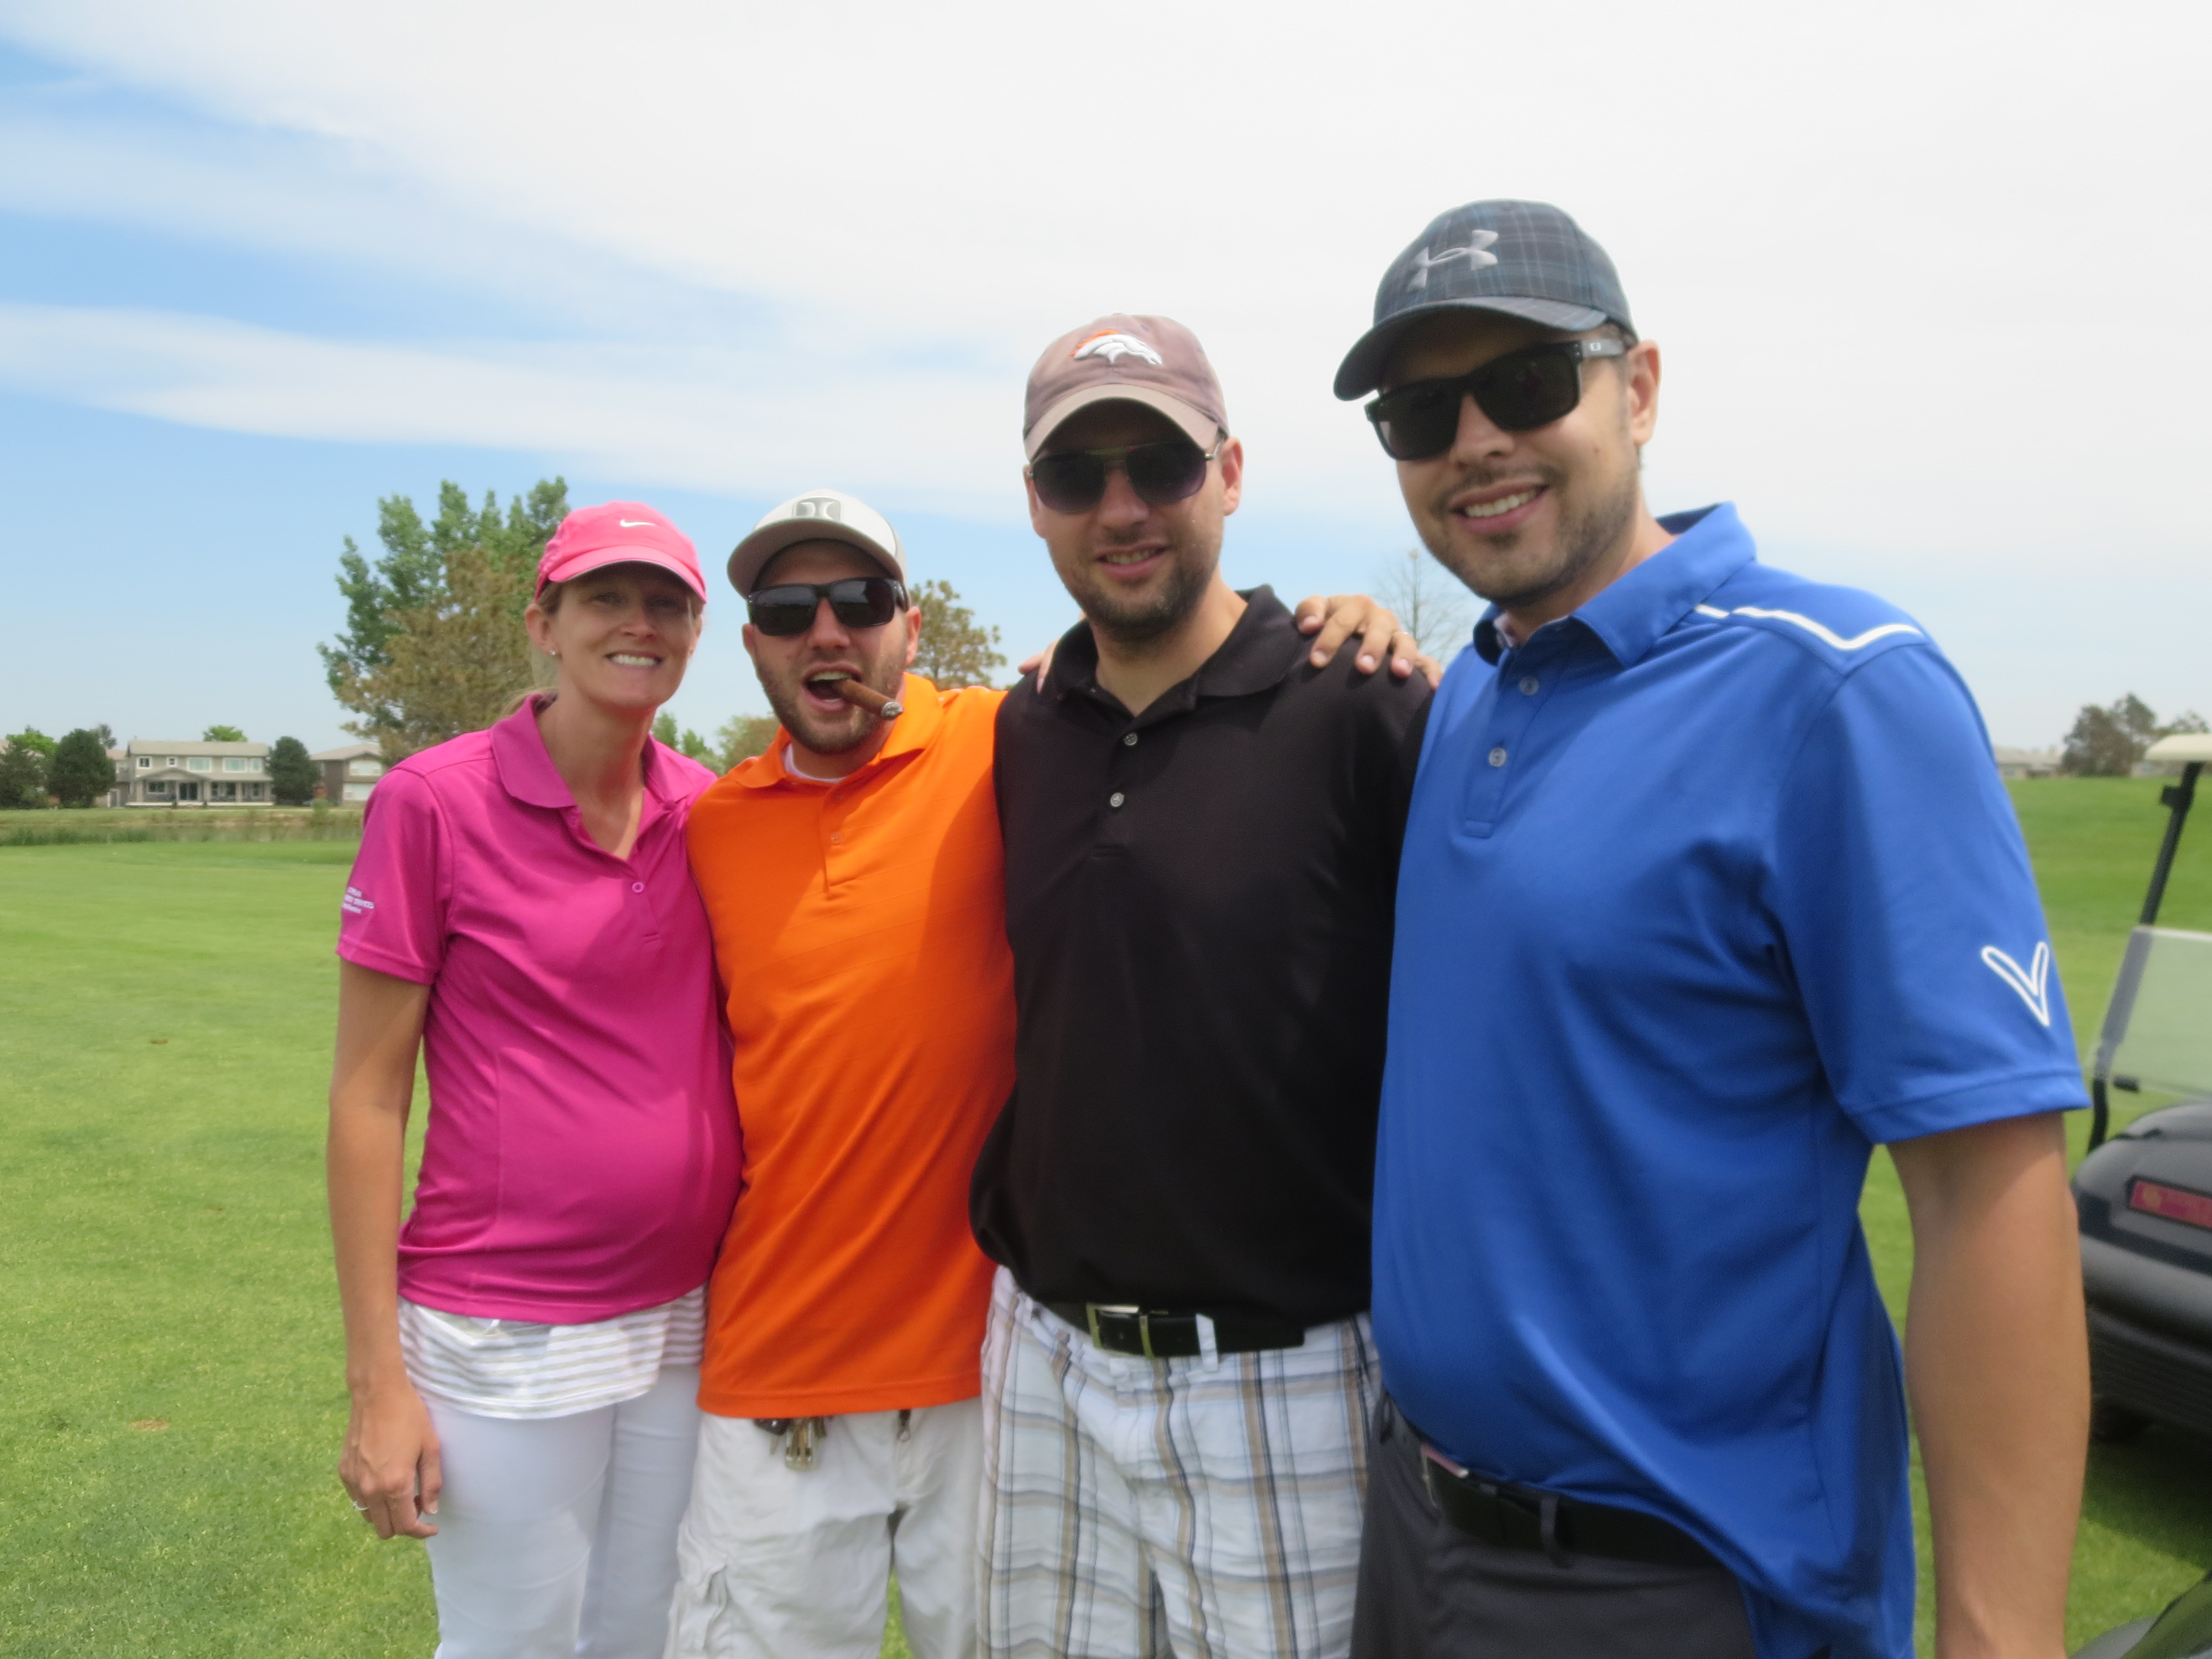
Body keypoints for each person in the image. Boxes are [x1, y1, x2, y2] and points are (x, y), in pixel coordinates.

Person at [1336, 200, 2089, 1659]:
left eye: (1532, 383)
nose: (1477, 438)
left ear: (1644, 386)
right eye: (1424, 411)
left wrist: (2002, 1636)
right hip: (1418, 1531)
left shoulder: (1838, 690)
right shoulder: (1472, 695)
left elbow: (1988, 1189)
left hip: (1678, 1583)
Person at [662, 482, 1424, 1659]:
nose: (827, 631)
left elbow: (1160, 684)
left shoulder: (1001, 735)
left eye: (860, 600)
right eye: (786, 606)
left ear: (909, 630)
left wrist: (1352, 621)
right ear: (748, 638)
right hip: (786, 1375)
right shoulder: (708, 826)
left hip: (984, 1376)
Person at [969, 315, 1435, 1659]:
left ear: (1228, 472)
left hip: (1281, 1374)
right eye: (1077, 476)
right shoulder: (1026, 724)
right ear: (1036, 508)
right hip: (1043, 1358)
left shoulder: (1360, 698)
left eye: (1157, 467)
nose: (1119, 508)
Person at [327, 502, 742, 1659]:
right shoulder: (433, 801)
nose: (638, 624)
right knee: (513, 1642)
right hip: (502, 1323)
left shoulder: (708, 811)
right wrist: (378, 1388)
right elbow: (367, 1099)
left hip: (684, 1317)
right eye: (606, 598)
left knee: (646, 1632)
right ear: (543, 626)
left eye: (666, 604)